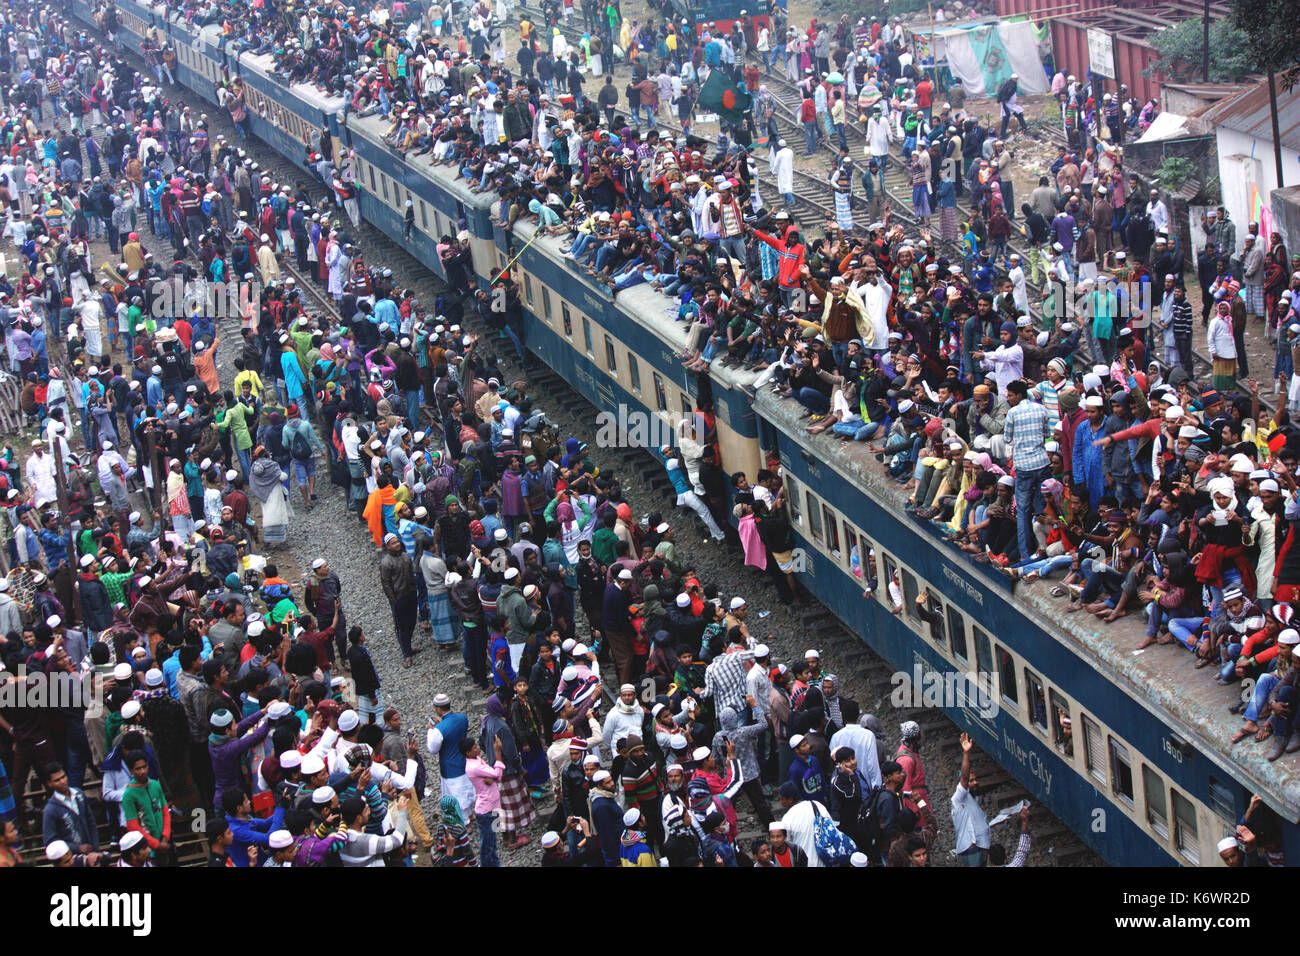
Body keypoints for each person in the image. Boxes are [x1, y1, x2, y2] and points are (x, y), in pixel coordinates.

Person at [952, 733, 991, 866]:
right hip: (971, 849)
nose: (975, 783)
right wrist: (966, 753)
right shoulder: (959, 797)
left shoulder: (973, 798)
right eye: (971, 781)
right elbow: (964, 777)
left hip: (980, 847)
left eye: (976, 780)